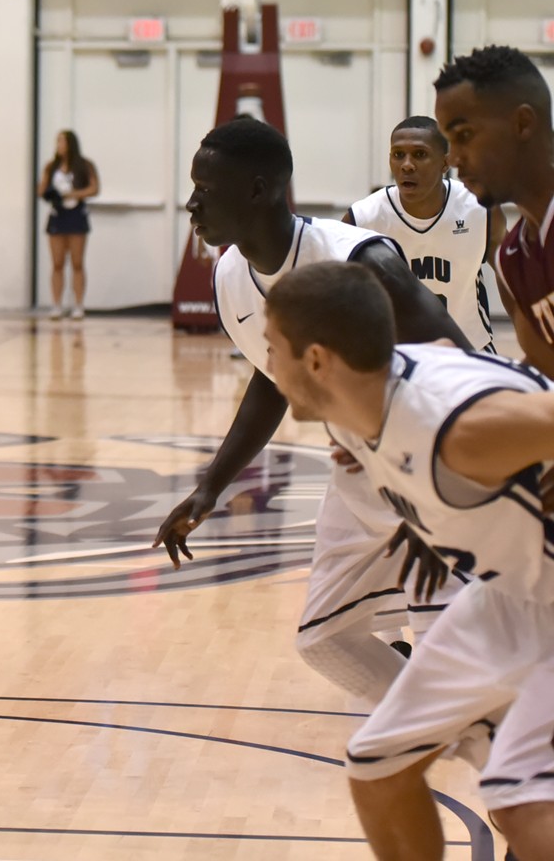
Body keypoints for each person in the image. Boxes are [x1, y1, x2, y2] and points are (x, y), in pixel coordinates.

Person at [152, 117, 470, 708]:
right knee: (325, 638)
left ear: (257, 190)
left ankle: (463, 734)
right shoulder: (229, 276)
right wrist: (210, 487)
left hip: (437, 455)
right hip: (359, 461)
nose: (192, 203)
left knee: (443, 636)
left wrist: (435, 498)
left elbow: (457, 363)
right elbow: (271, 380)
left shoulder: (358, 260)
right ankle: (441, 722)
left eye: (205, 189)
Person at [261, 262, 554, 861]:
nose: (266, 365)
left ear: (316, 360)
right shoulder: (364, 404)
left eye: (272, 348)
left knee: (523, 810)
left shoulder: (457, 431)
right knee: (379, 770)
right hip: (511, 594)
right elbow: (444, 354)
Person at [433, 45, 554, 378]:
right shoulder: (511, 259)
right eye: (448, 141)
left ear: (523, 123)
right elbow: (544, 370)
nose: (453, 158)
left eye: (464, 135)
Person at [345, 116, 499, 351]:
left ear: (445, 163)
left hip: (470, 345)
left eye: (419, 154)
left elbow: (513, 277)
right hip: (398, 351)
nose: (407, 165)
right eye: (398, 155)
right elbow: (339, 291)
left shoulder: (480, 208)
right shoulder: (363, 217)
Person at [38, 130, 99, 320]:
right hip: (58, 215)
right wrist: (50, 193)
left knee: (77, 262)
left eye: (62, 141)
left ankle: (78, 304)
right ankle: (56, 304)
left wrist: (74, 194)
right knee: (57, 263)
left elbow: (94, 188)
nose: (59, 145)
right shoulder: (51, 166)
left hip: (76, 214)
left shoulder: (84, 165)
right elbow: (41, 189)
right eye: (57, 141)